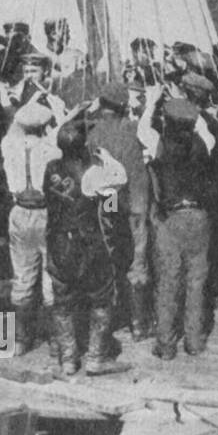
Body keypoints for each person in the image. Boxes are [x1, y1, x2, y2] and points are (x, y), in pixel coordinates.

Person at [45, 122, 132, 375]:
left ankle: (69, 360)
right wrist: (107, 159)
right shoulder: (93, 172)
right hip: (89, 244)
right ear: (83, 146)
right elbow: (116, 192)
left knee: (62, 301)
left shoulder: (51, 168)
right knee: (101, 298)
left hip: (59, 243)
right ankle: (95, 358)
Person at [140, 98, 213, 360]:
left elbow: (141, 130)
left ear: (167, 121)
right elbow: (205, 131)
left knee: (168, 281)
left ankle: (166, 344)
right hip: (199, 216)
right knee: (196, 281)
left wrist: (152, 102)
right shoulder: (202, 144)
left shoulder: (158, 144)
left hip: (171, 219)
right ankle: (193, 341)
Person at [86, 83, 153, 342]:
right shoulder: (133, 129)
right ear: (123, 106)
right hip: (136, 204)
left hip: (110, 202)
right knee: (137, 260)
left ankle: (115, 317)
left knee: (113, 255)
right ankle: (138, 324)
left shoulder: (93, 134)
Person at [2, 99, 62, 355]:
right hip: (44, 213)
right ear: (44, 126)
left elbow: (11, 130)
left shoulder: (8, 145)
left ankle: (20, 340)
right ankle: (57, 342)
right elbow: (60, 142)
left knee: (23, 277)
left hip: (18, 212)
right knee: (51, 276)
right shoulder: (51, 150)